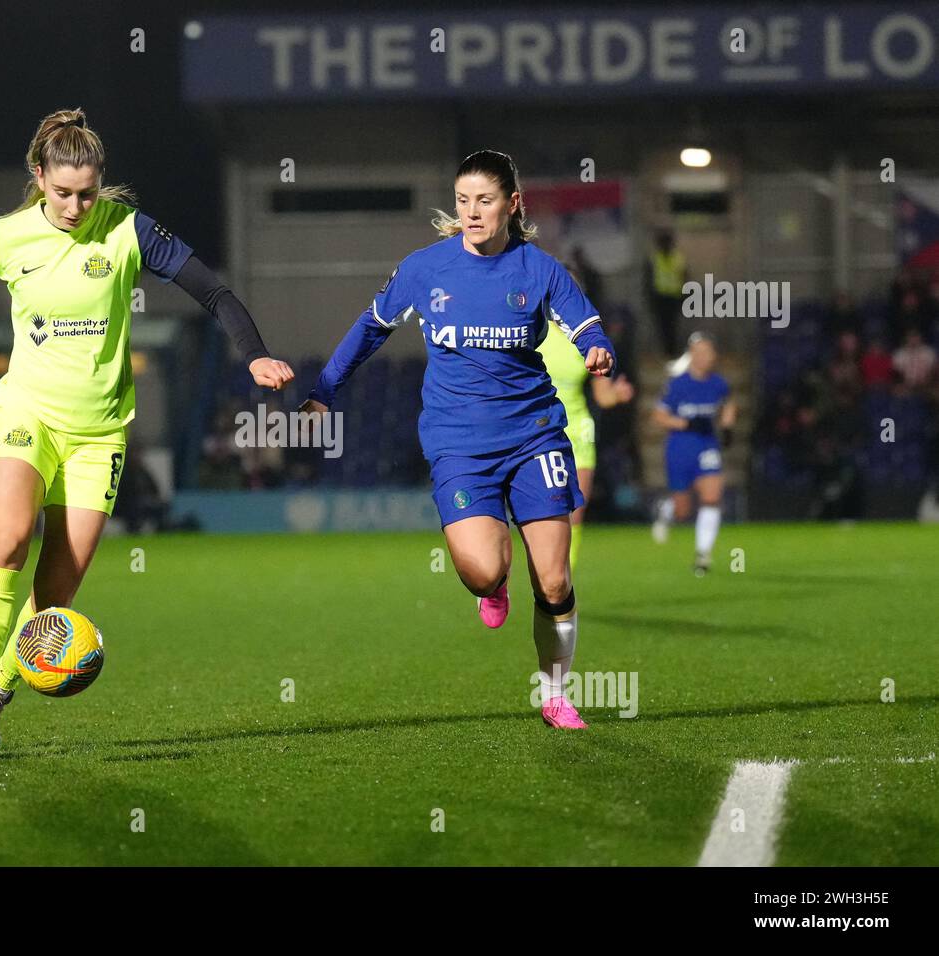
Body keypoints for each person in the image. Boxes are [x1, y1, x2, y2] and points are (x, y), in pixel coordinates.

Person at [0, 108, 294, 754]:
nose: (76, 205)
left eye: (88, 192)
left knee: (56, 592)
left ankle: (0, 694)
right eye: (63, 192)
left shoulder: (129, 231)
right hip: (25, 415)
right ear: (39, 178)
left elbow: (215, 293)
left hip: (100, 435)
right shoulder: (7, 238)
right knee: (5, 540)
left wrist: (253, 351)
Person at [300, 150, 616, 730]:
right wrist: (325, 390)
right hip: (458, 443)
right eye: (463, 200)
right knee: (480, 568)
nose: (471, 212)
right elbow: (371, 329)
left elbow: (588, 323)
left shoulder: (539, 269)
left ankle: (554, 695)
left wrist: (600, 350)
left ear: (512, 204)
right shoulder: (425, 268)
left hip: (535, 435)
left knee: (554, 577)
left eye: (485, 201)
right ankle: (491, 587)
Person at [535, 323, 635, 568]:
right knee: (544, 512)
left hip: (577, 427)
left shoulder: (586, 338)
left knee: (575, 510)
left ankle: (563, 582)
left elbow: (602, 395)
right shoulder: (535, 329)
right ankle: (544, 574)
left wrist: (617, 395)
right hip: (539, 425)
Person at [651, 332, 737, 575]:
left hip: (707, 445)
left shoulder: (718, 383)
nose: (704, 357)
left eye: (708, 352)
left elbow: (729, 404)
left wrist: (728, 426)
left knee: (712, 497)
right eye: (699, 353)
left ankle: (702, 555)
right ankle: (666, 509)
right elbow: (658, 415)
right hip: (680, 448)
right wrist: (687, 424)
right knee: (683, 510)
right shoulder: (678, 384)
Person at [645, 229, 688, 356]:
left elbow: (685, 276)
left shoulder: (678, 258)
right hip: (660, 297)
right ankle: (668, 352)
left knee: (672, 326)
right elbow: (648, 279)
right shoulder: (654, 259)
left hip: (675, 297)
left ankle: (672, 352)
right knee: (663, 326)